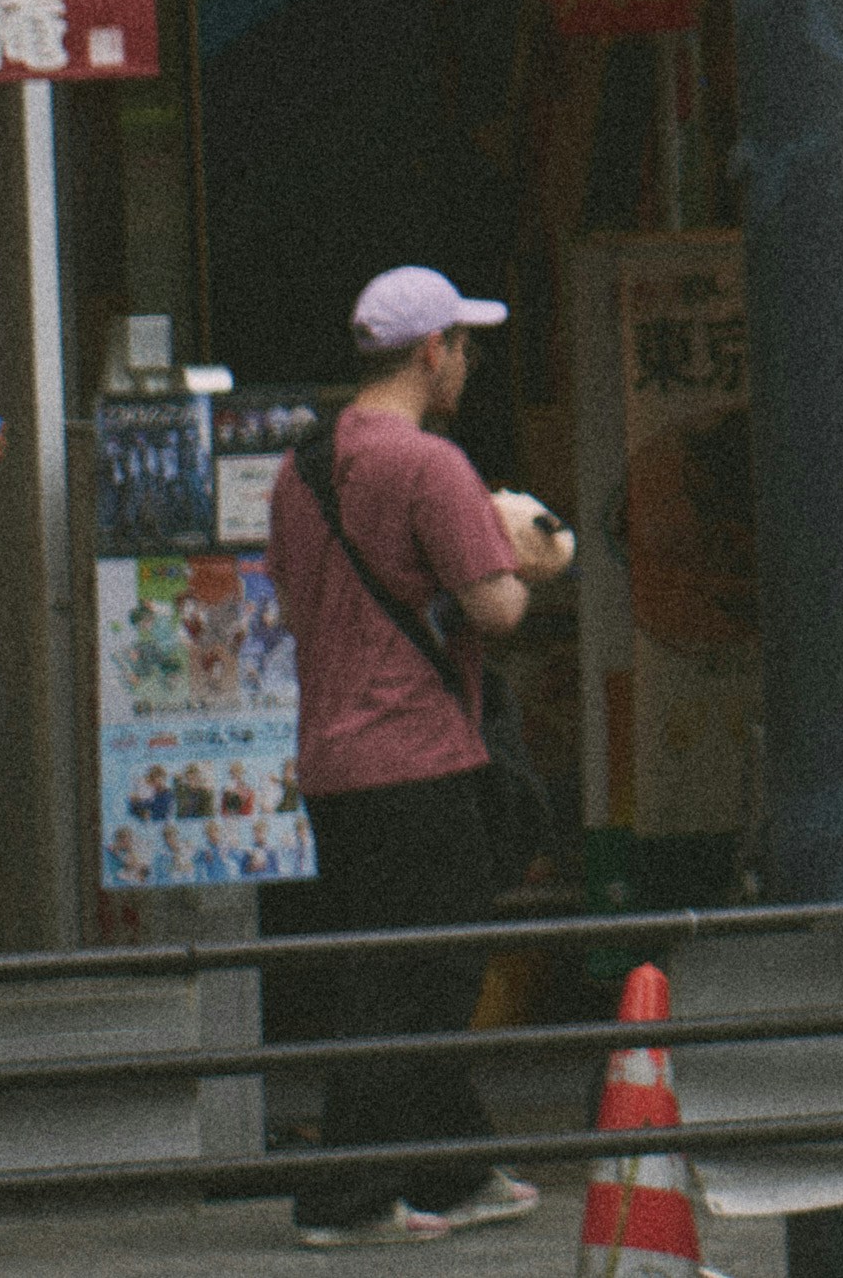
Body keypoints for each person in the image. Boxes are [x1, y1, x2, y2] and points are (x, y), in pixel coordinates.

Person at [268, 264, 573, 1246]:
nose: (468, 364)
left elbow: (305, 601)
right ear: (433, 350)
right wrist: (534, 555)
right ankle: (347, 1197)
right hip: (420, 758)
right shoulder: (429, 464)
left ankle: (456, 1170)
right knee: (422, 981)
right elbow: (495, 607)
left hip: (331, 761)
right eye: (464, 345)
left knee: (393, 965)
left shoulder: (302, 468)